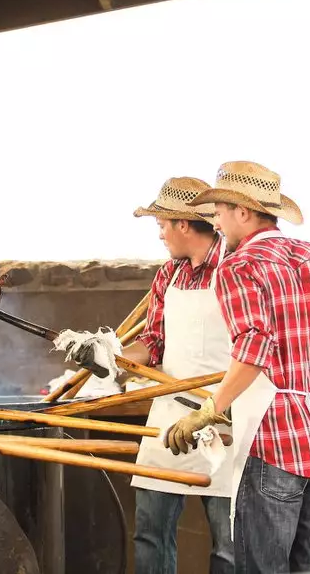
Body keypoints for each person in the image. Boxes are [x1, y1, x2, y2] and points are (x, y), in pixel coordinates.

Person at [163, 160, 310, 573]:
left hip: (277, 441)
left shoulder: (238, 268)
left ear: (243, 212)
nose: (215, 221)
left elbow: (253, 348)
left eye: (219, 209)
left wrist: (207, 410)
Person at [68, 176, 237, 574]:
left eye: (162, 223)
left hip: (225, 415)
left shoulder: (236, 270)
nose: (159, 233)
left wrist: (220, 405)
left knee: (230, 545)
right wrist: (109, 355)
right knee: (150, 533)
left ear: (182, 223)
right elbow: (154, 345)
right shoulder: (168, 275)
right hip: (169, 414)